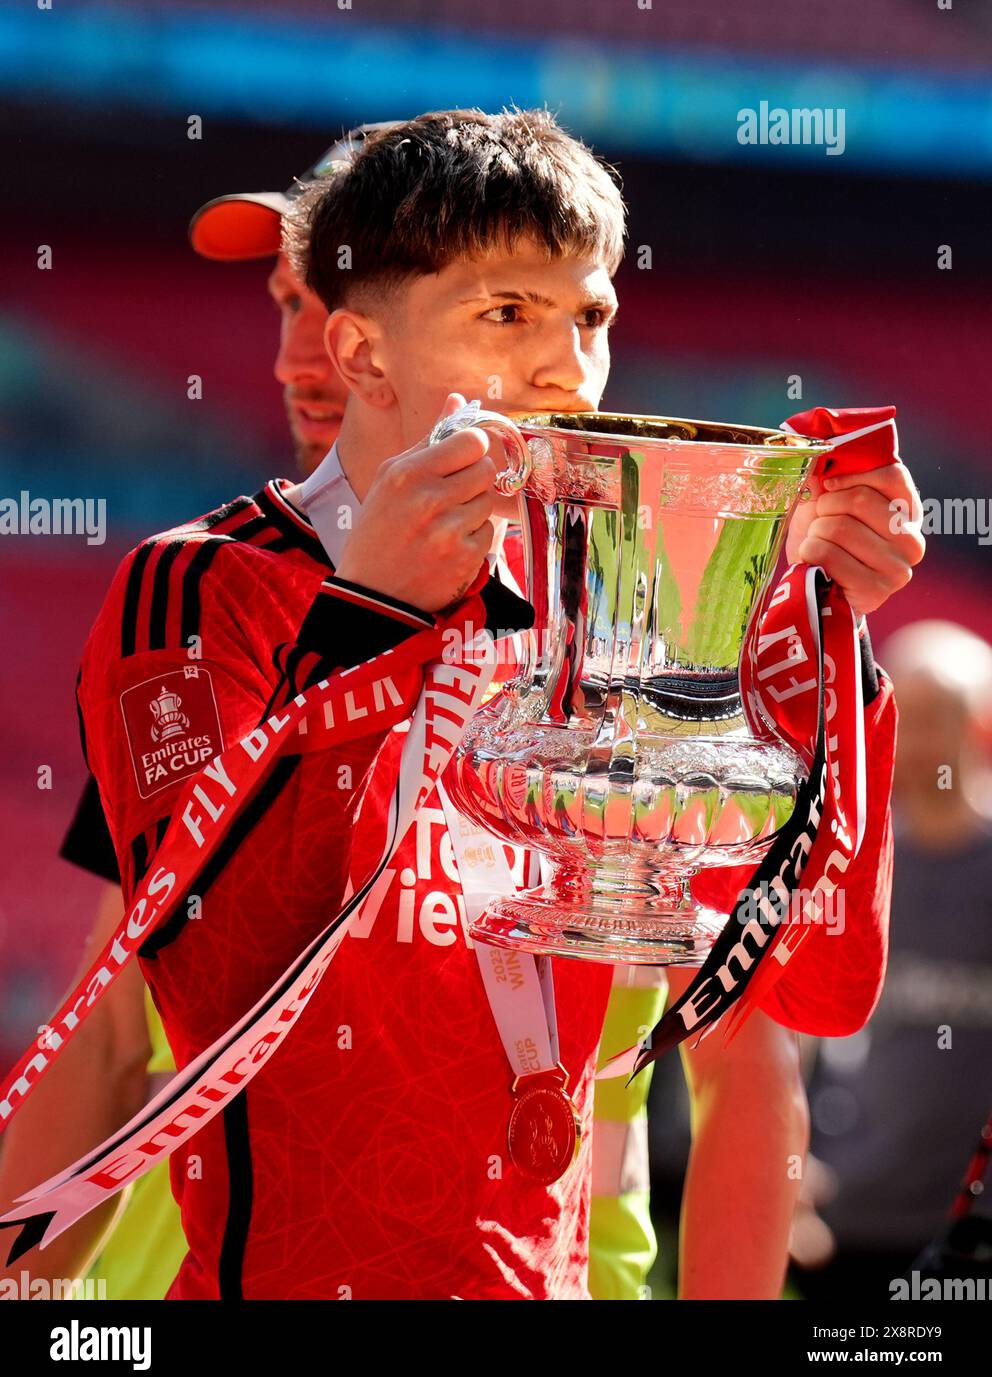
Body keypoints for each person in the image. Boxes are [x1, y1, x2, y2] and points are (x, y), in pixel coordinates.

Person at [48, 110, 923, 1299]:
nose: (568, 366)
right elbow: (225, 982)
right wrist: (378, 624)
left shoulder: (623, 618)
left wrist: (816, 639)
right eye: (507, 315)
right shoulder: (206, 587)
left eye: (592, 317)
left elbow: (804, 986)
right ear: (365, 357)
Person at [0, 130, 365, 1298]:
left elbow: (748, 1074)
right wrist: (32, 1296)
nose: (297, 359)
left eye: (345, 310)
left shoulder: (599, 625)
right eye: (286, 303)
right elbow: (111, 1031)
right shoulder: (196, 601)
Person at [791, 622, 992, 1299]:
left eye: (936, 721)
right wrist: (791, 1166)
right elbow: (797, 1027)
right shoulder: (844, 866)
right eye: (901, 721)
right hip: (849, 1220)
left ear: (977, 727)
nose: (913, 747)